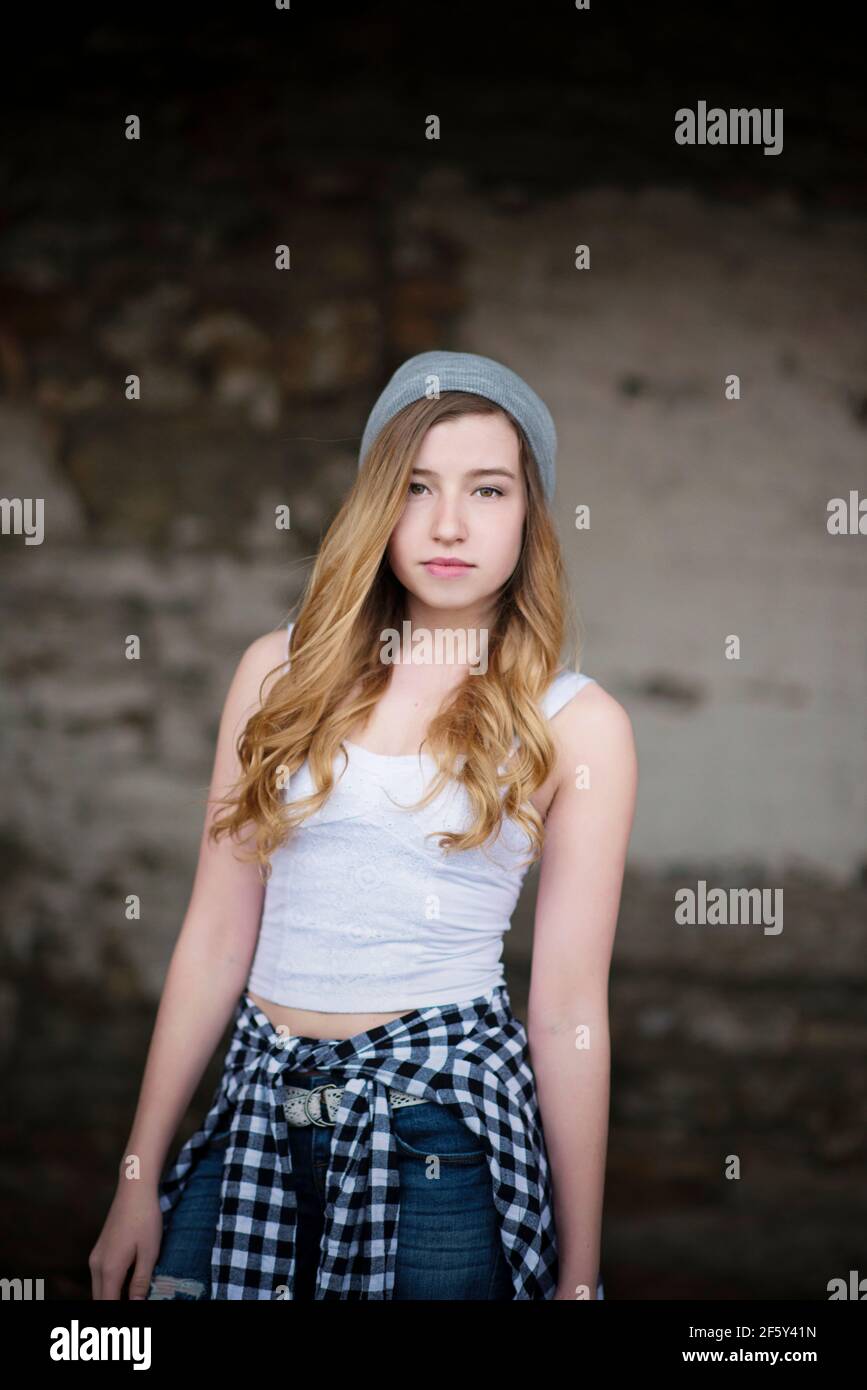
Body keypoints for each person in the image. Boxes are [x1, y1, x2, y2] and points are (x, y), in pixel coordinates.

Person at [89, 350, 637, 1301]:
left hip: (438, 1134)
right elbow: (217, 936)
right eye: (416, 485)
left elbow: (566, 1009)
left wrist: (580, 1277)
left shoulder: (576, 720)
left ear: (529, 515)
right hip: (258, 1107)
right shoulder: (278, 672)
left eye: (488, 489)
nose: (449, 523)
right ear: (377, 500)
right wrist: (137, 1178)